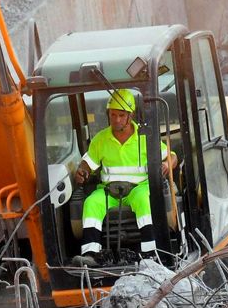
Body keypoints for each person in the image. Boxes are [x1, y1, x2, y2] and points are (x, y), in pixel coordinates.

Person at [74, 88, 176, 258]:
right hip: (109, 192)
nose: (116, 119)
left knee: (144, 200)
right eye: (113, 115)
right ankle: (90, 255)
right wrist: (82, 171)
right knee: (91, 202)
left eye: (121, 115)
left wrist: (167, 164)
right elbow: (87, 164)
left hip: (139, 188)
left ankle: (151, 253)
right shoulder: (100, 139)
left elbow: (172, 156)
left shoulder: (145, 137)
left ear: (131, 115)